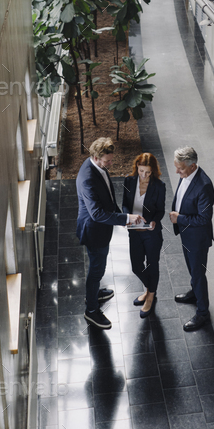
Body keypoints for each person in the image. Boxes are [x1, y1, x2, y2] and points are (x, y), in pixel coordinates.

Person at [76, 137, 143, 329]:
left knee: (98, 267)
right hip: (94, 231)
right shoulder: (87, 178)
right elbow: (96, 213)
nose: (111, 164)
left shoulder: (96, 166)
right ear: (96, 157)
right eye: (107, 161)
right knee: (96, 270)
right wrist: (126, 218)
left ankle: (94, 294)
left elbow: (107, 196)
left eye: (111, 160)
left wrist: (120, 217)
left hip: (100, 228)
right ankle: (91, 310)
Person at [170, 146, 214, 331]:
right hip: (187, 235)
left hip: (197, 240)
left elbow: (204, 218)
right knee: (192, 270)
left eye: (180, 168)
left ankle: (203, 312)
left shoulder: (204, 186)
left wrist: (179, 218)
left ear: (192, 166)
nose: (177, 172)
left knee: (198, 274)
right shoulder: (186, 174)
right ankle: (195, 294)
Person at [122, 153, 166, 318]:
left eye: (147, 172)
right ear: (137, 168)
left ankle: (151, 296)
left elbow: (160, 210)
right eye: (141, 171)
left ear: (153, 170)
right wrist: (128, 217)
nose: (144, 175)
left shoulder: (159, 186)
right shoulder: (129, 181)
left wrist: (154, 221)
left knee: (152, 264)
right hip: (134, 231)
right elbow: (125, 205)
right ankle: (149, 289)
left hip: (151, 233)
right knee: (136, 266)